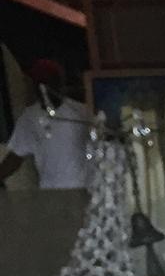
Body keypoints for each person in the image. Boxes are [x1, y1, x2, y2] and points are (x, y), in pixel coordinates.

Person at [0, 59, 94, 190]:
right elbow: (15, 157)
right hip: (51, 193)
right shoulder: (29, 118)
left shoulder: (81, 112)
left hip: (83, 189)